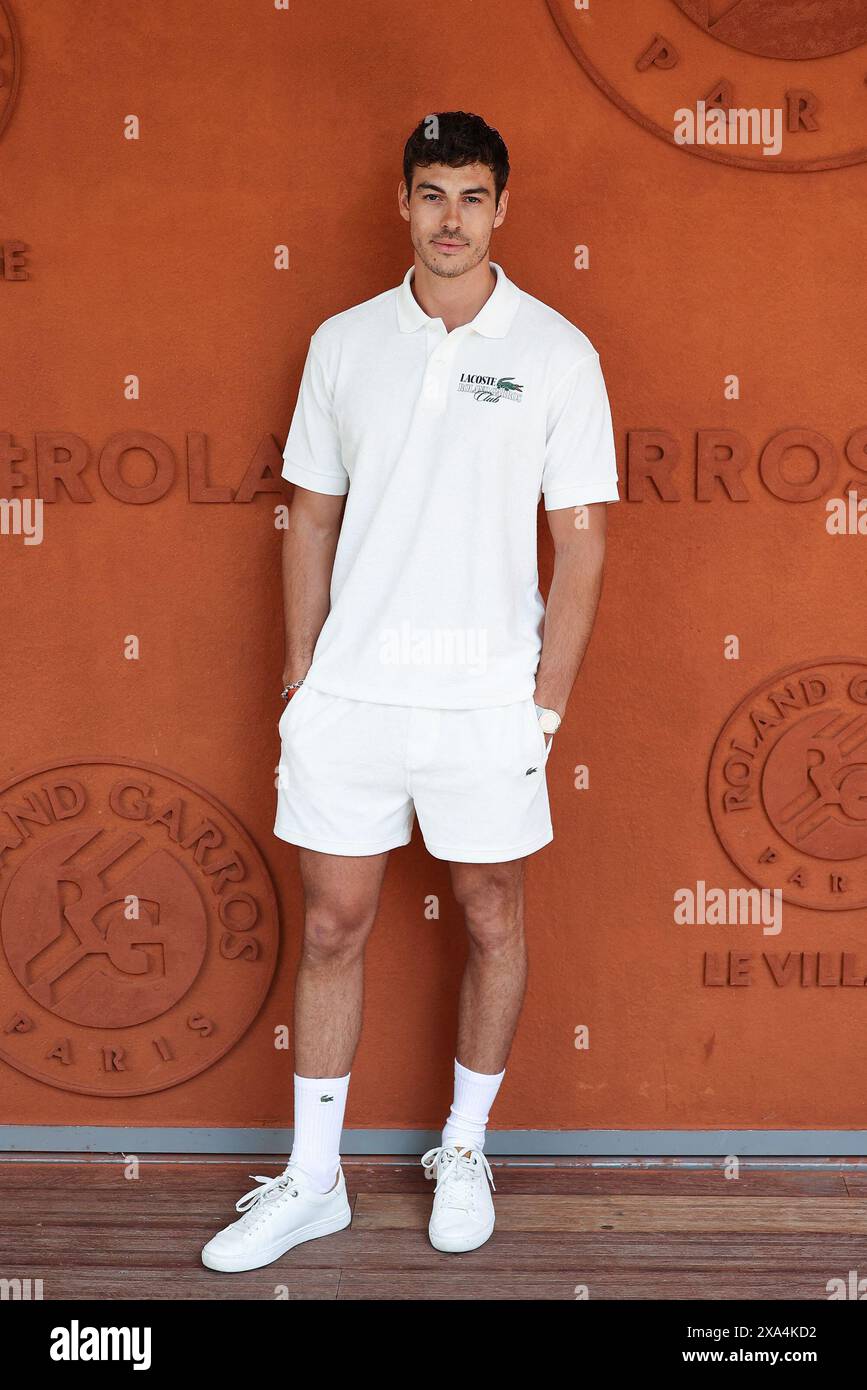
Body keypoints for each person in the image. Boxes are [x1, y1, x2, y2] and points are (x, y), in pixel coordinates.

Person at [202, 110, 619, 1273]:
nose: (450, 219)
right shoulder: (343, 342)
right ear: (404, 203)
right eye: (431, 194)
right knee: (331, 924)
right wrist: (302, 672)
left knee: (492, 916)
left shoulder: (557, 353)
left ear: (502, 209)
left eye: (472, 197)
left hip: (487, 703)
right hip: (353, 699)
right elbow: (313, 514)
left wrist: (544, 705)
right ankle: (315, 1178)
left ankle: (465, 1148)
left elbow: (580, 544)